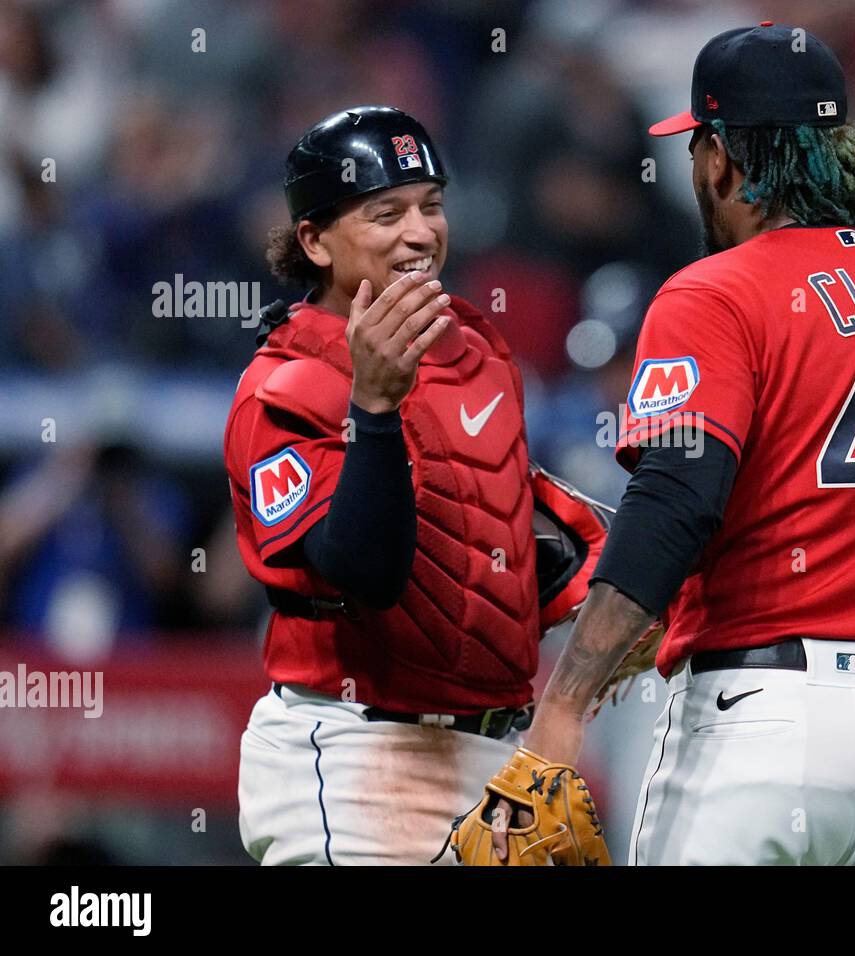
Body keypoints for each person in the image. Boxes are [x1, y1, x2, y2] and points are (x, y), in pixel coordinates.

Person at [471, 23, 855, 866]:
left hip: (764, 726)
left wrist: (560, 711)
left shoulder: (712, 292)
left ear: (720, 159)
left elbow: (677, 494)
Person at [223, 105, 601, 865]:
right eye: (386, 212)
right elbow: (363, 572)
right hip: (355, 753)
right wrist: (374, 409)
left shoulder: (478, 356)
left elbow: (485, 538)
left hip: (497, 756)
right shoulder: (284, 387)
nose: (421, 232)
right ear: (315, 240)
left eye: (432, 205)